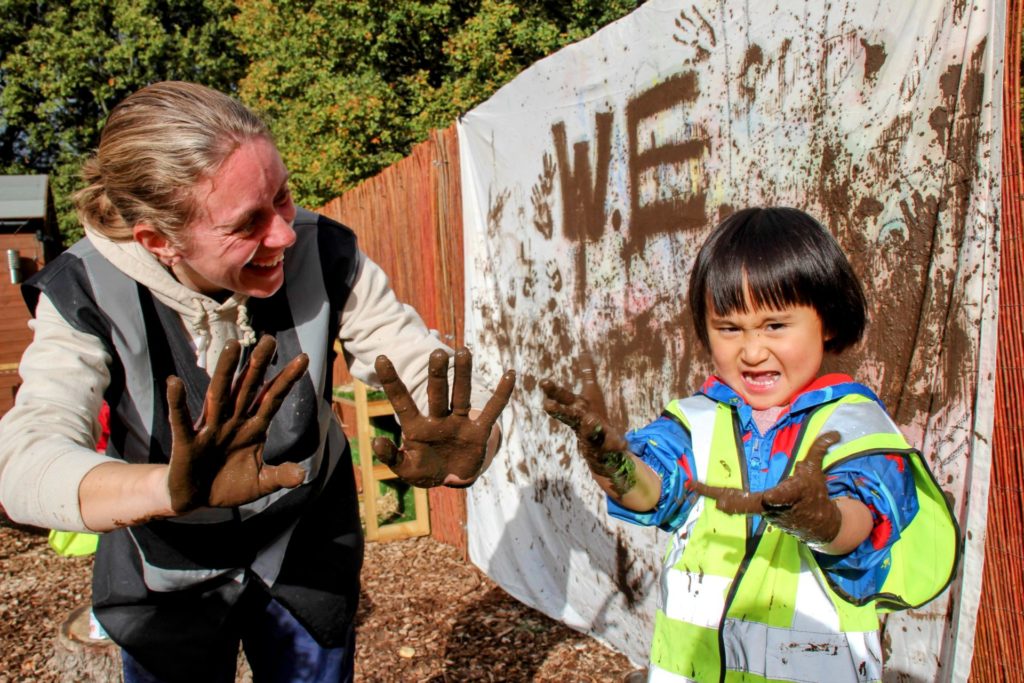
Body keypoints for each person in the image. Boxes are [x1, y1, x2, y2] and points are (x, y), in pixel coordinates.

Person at [0, 81, 515, 683]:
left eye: (283, 196)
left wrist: (470, 444)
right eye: (248, 224)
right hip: (162, 569)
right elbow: (25, 462)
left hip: (305, 551)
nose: (285, 234)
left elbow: (410, 355)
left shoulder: (327, 253)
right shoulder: (84, 291)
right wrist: (173, 488)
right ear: (157, 240)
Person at [540, 207, 958, 683]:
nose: (753, 351)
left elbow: (864, 518)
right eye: (730, 328)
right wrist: (615, 466)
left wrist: (823, 521)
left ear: (826, 321)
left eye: (775, 326)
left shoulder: (853, 424)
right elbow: (652, 489)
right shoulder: (695, 421)